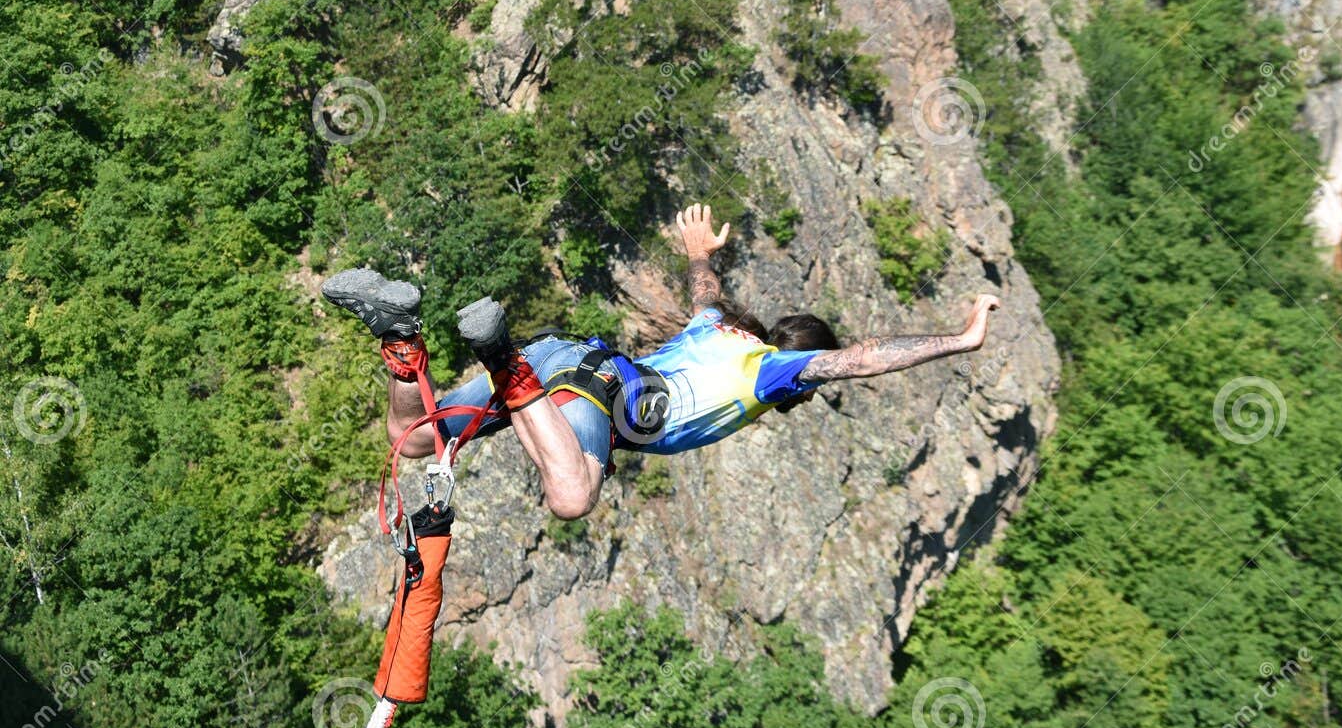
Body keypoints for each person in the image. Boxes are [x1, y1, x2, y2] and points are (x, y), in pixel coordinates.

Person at [321, 203, 1000, 521]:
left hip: (566, 354)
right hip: (607, 393)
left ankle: (402, 339)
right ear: (803, 369)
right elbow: (861, 359)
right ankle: (503, 360)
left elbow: (705, 285)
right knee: (572, 495)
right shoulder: (770, 370)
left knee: (413, 439)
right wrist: (954, 340)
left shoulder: (718, 326)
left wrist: (699, 250)